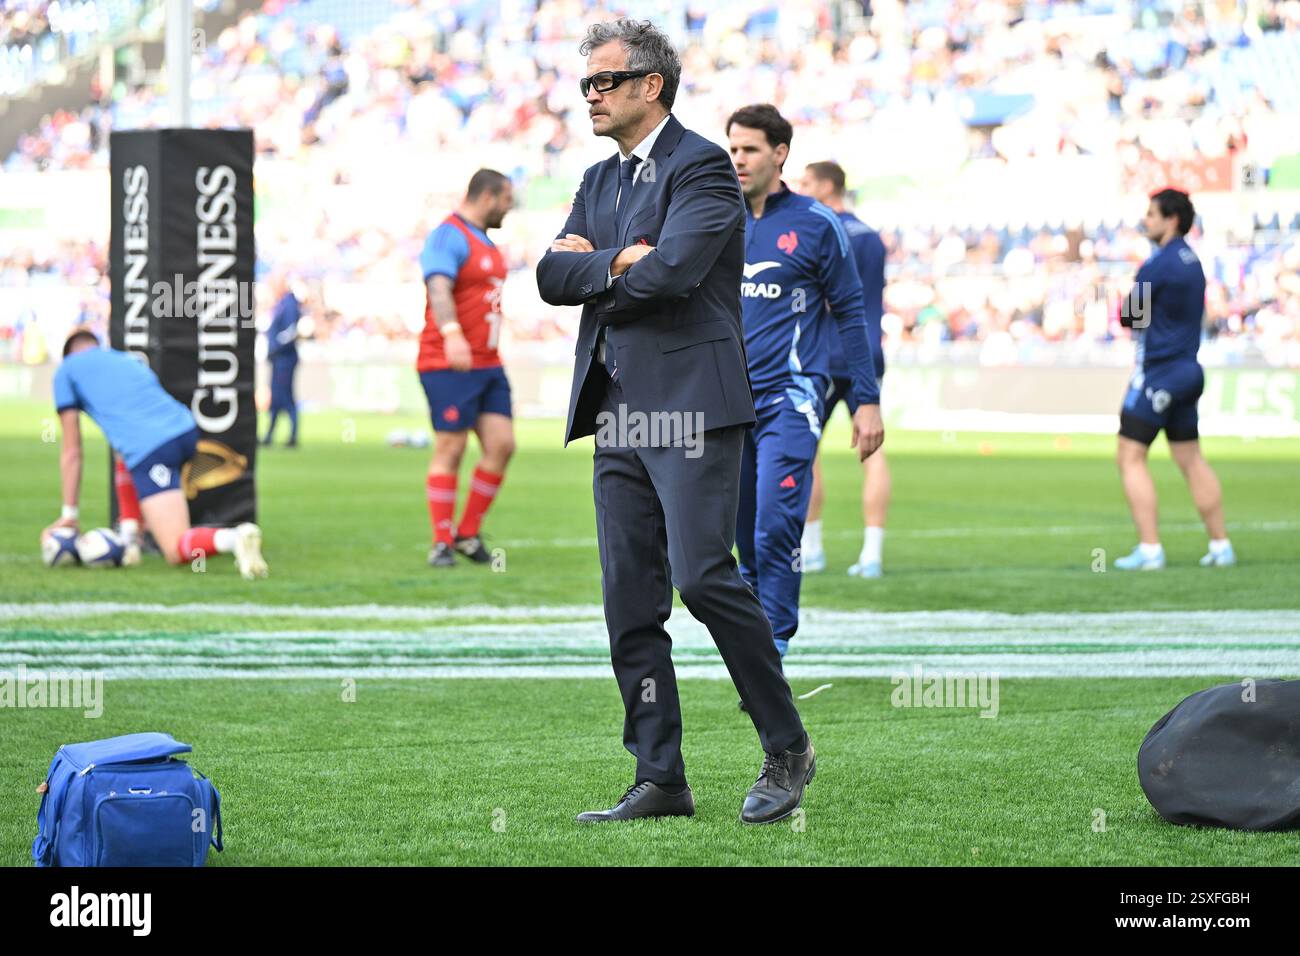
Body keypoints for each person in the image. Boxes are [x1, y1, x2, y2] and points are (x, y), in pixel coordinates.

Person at [536, 18, 813, 826]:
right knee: (630, 600)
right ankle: (661, 777)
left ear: (649, 86)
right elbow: (552, 276)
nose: (589, 94)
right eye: (585, 82)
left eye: (603, 81)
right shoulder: (598, 177)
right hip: (617, 406)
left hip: (692, 402)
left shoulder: (703, 167)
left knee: (701, 577)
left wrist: (607, 269)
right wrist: (614, 263)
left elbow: (673, 272)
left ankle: (787, 745)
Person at [727, 108, 884, 664]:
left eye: (749, 149)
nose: (738, 158)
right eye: (734, 148)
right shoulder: (719, 218)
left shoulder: (818, 223)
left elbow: (852, 313)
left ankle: (775, 642)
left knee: (775, 525)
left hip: (791, 397)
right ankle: (753, 643)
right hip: (727, 403)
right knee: (740, 538)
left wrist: (866, 400)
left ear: (779, 154)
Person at [45, 329, 268, 579]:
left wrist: (69, 516)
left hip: (153, 448)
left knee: (174, 548)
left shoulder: (66, 371)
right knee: (122, 454)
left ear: (68, 354)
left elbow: (73, 451)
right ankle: (130, 540)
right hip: (186, 431)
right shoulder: (125, 360)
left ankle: (233, 538)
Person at [1114, 188, 1233, 570]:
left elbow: (1131, 318)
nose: (1146, 221)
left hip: (1159, 373)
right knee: (1192, 460)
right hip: (1188, 371)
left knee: (1130, 456)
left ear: (1172, 220)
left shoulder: (1157, 264)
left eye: (1152, 214)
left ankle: (1150, 549)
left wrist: (1126, 299)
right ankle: (1220, 545)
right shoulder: (1192, 262)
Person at [418, 168, 517, 568]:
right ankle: (441, 541)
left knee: (502, 445)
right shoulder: (449, 234)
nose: (509, 209)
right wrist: (452, 332)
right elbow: (438, 286)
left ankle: (467, 532)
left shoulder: (486, 242)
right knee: (452, 447)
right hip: (449, 361)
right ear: (489, 196)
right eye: (507, 200)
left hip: (488, 363)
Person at [797, 161, 891, 578]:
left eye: (806, 182)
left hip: (823, 353)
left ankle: (812, 549)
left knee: (806, 452)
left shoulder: (817, 230)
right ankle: (872, 554)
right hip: (867, 354)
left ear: (826, 186)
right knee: (872, 453)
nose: (800, 189)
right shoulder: (872, 237)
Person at [263, 270, 301, 448]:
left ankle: (292, 435)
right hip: (279, 359)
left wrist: (275, 348)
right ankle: (271, 434)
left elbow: (290, 332)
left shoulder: (289, 304)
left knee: (285, 398)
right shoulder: (282, 303)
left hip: (284, 359)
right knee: (278, 398)